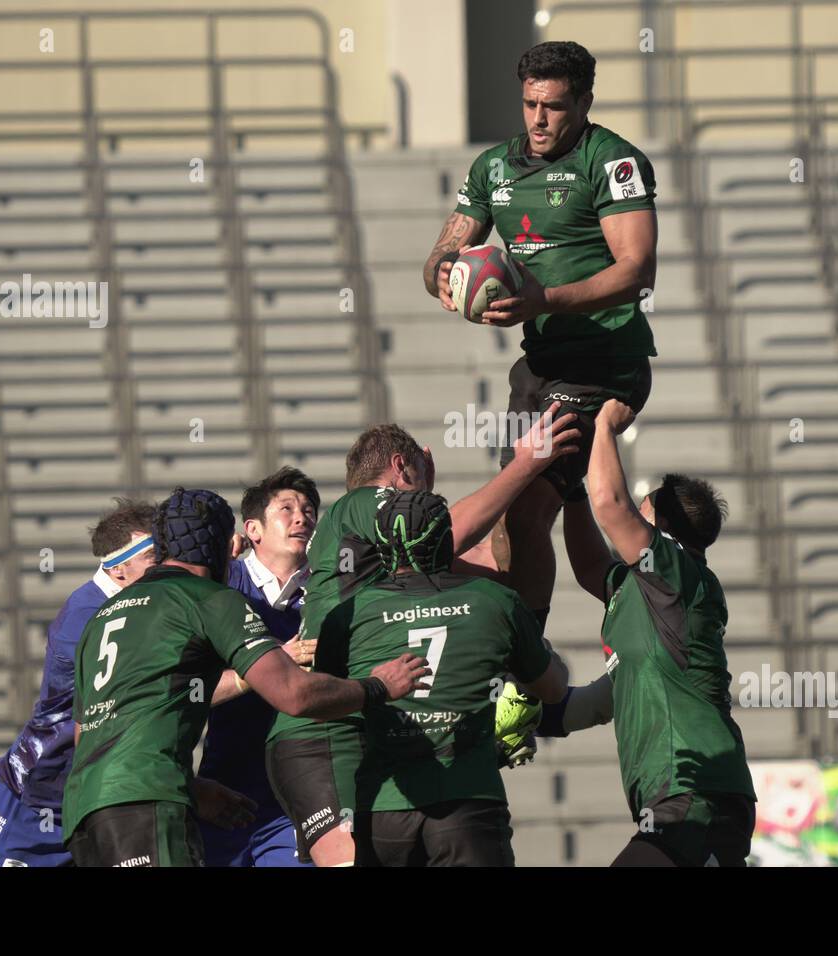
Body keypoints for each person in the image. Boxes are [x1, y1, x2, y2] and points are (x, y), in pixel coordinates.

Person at [266, 407, 578, 866]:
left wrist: (537, 505)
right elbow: (455, 530)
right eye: (420, 484)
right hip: (322, 729)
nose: (426, 506)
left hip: (372, 720)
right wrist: (527, 462)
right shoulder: (361, 504)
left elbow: (491, 567)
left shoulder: (397, 561)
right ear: (399, 468)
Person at [422, 40, 658, 630]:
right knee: (508, 515)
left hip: (603, 361)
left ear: (584, 102)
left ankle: (528, 663)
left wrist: (543, 299)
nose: (538, 119)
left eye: (553, 106)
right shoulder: (493, 167)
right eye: (529, 104)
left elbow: (637, 270)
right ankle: (537, 651)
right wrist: (445, 276)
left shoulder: (613, 162)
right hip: (540, 364)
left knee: (525, 510)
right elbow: (442, 254)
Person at [63, 488, 428, 867]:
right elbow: (293, 694)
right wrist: (378, 687)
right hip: (147, 806)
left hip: (83, 812)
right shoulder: (207, 598)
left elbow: (86, 735)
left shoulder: (104, 616)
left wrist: (196, 789)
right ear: (219, 545)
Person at [561, 399, 757, 867]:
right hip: (689, 792)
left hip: (696, 789)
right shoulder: (647, 587)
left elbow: (609, 505)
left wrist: (604, 424)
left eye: (643, 508)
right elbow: (591, 566)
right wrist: (570, 489)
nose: (634, 514)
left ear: (663, 528)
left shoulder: (673, 570)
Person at [341, 491, 568, 866]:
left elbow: (330, 699)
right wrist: (539, 650)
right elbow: (553, 688)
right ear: (446, 539)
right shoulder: (494, 600)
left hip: (383, 809)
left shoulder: (351, 612)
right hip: (466, 802)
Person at [0, 499, 156, 867]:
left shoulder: (150, 604)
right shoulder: (85, 618)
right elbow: (145, 697)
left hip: (102, 800)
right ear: (119, 569)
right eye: (154, 558)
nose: (166, 568)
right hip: (38, 797)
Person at [196, 467, 319, 867]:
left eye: (308, 509)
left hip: (295, 797)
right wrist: (271, 666)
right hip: (221, 791)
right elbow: (184, 691)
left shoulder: (327, 595)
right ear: (253, 529)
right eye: (287, 508)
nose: (302, 517)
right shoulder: (218, 589)